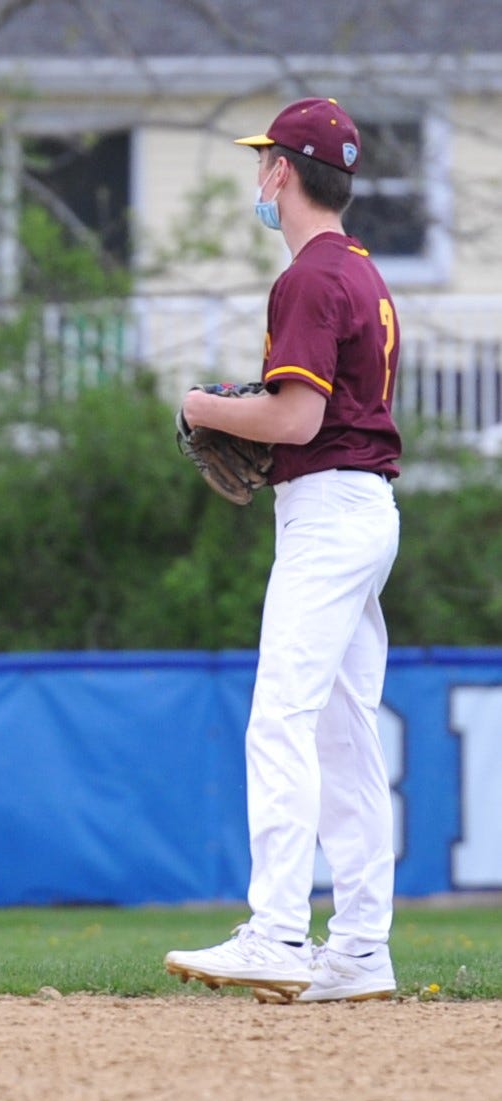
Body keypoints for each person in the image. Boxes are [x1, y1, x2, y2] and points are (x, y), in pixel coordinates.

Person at [164, 99, 403, 1003]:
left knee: (282, 719)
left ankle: (275, 933)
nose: (259, 176)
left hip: (332, 513)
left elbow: (296, 417)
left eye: (265, 161)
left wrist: (202, 407)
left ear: (283, 174)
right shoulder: (365, 274)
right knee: (344, 735)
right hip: (364, 506)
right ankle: (360, 950)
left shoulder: (307, 279)